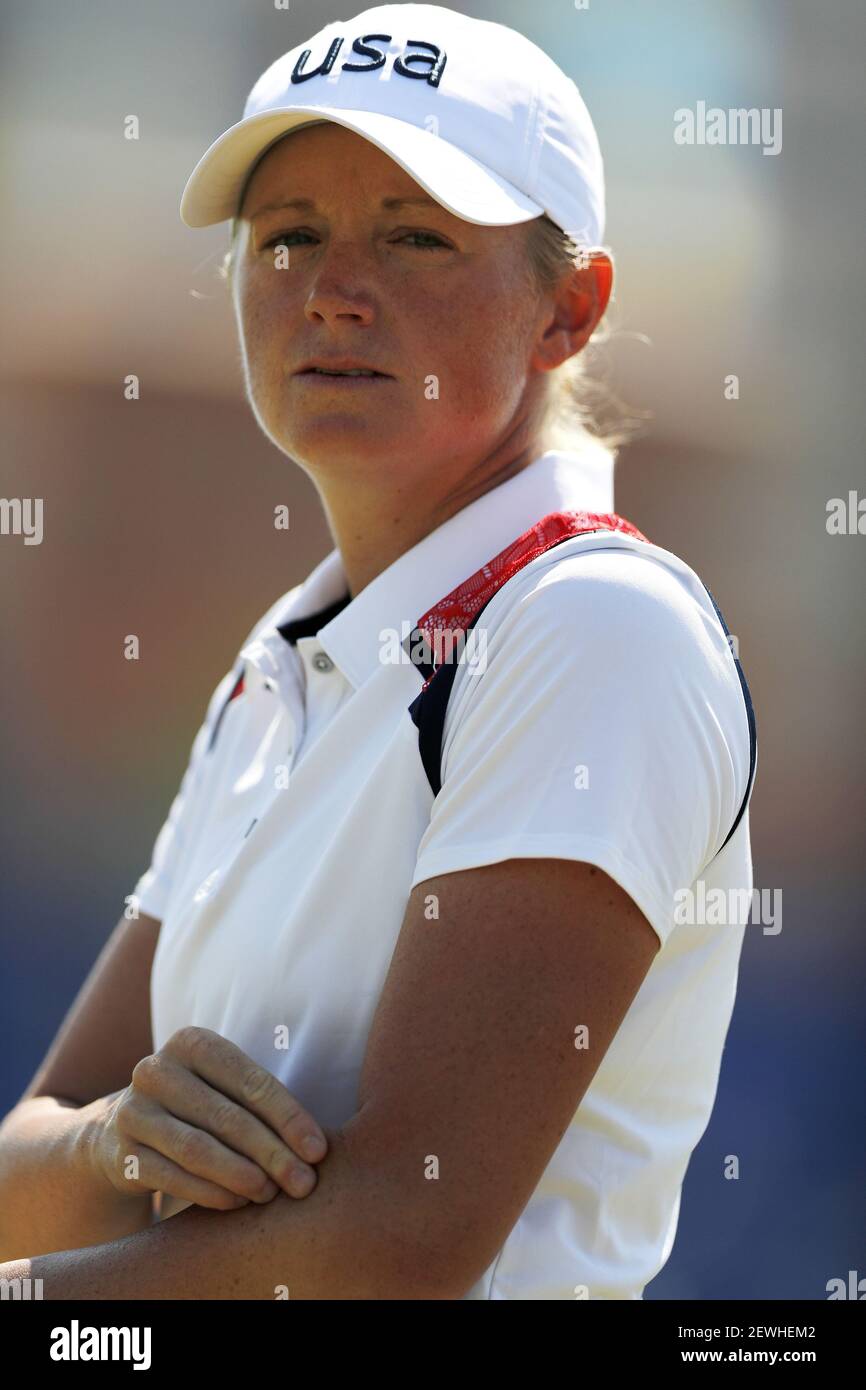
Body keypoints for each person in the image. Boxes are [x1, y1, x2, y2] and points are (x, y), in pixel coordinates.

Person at [0, 3, 756, 1299]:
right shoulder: (287, 656)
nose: (333, 289)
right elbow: (31, 1158)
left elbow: (401, 1245)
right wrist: (120, 1143)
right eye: (287, 235)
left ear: (569, 308)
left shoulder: (590, 623)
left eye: (414, 237)